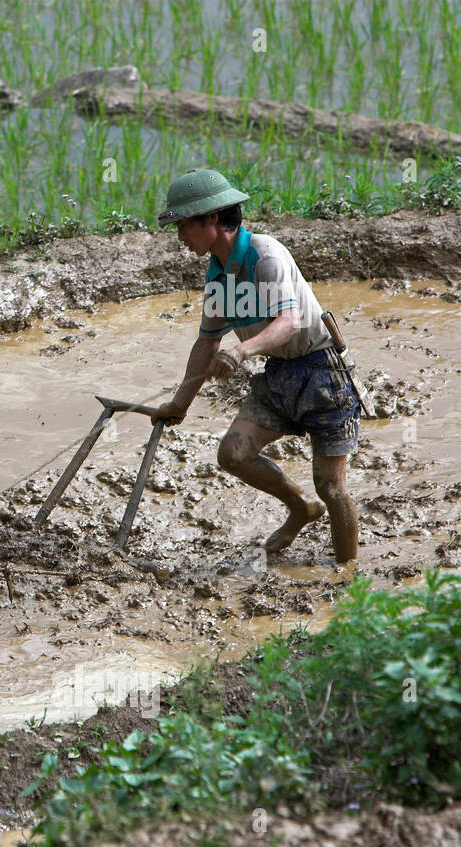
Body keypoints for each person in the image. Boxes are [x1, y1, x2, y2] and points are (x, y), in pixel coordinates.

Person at [151, 168, 359, 563]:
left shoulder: (265, 255)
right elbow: (207, 342)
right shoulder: (217, 274)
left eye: (182, 225)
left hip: (323, 372)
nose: (179, 237)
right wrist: (180, 403)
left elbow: (290, 321)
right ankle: (299, 508)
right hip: (280, 374)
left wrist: (243, 351)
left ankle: (348, 578)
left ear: (212, 219)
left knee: (331, 488)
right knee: (233, 452)